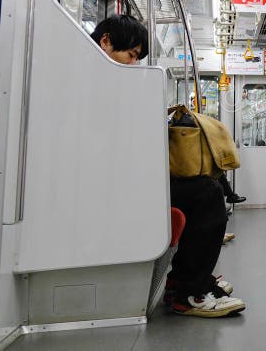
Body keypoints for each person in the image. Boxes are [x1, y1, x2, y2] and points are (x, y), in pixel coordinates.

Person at [92, 16, 245, 318]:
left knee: (207, 186)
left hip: (116, 177)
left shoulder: (109, 80)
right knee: (205, 195)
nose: (133, 63)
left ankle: (185, 280)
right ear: (106, 41)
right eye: (131, 55)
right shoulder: (93, 79)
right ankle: (190, 293)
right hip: (107, 185)